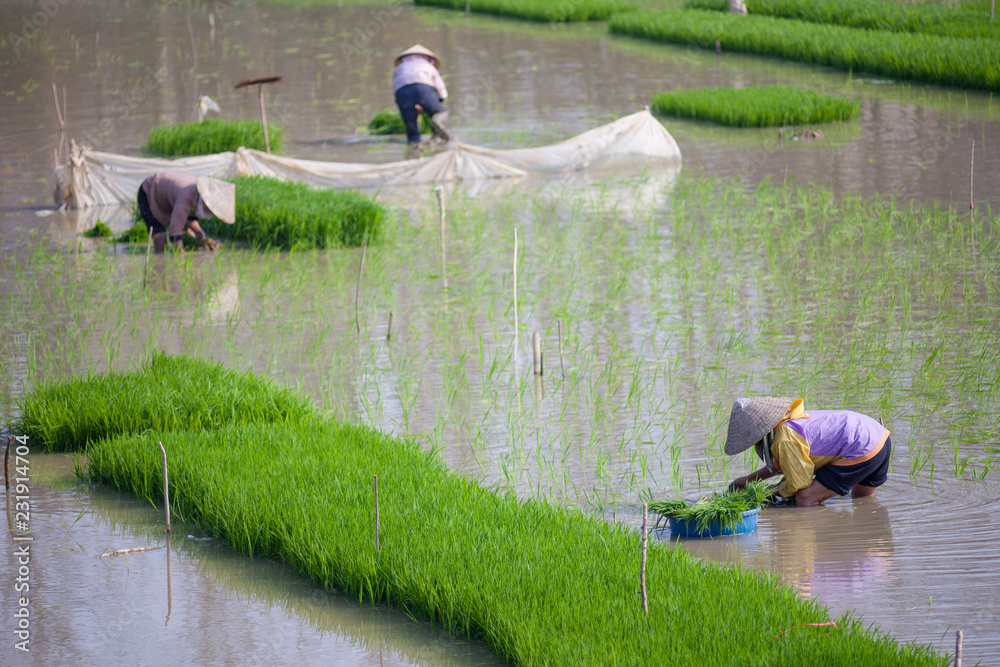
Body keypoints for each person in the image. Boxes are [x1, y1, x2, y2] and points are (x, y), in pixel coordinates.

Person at [725, 396, 892, 506]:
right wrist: (747, 480)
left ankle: (827, 537)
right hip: (879, 437)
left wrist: (764, 494)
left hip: (861, 448)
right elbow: (782, 465)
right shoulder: (790, 420)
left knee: (804, 498)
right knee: (863, 501)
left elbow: (800, 482)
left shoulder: (783, 439)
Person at [137, 172, 234, 252]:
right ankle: (158, 263)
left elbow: (190, 218)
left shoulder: (195, 196)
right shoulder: (186, 199)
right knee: (160, 238)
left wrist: (201, 236)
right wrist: (181, 258)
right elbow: (175, 230)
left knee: (189, 233)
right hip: (149, 191)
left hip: (169, 198)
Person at [392, 44, 450, 155]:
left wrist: (411, 107)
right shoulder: (427, 66)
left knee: (411, 126)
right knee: (440, 113)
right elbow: (441, 90)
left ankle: (414, 150)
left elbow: (395, 88)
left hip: (402, 93)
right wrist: (437, 104)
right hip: (422, 88)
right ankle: (436, 122)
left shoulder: (400, 68)